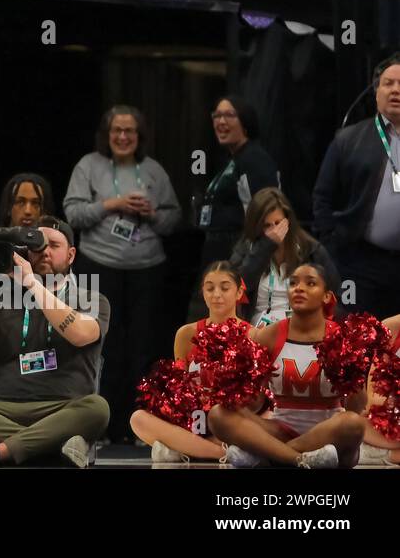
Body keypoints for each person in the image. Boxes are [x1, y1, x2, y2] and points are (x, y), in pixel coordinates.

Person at [0, 218, 111, 467]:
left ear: (71, 255)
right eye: (38, 247)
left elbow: (80, 334)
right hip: (0, 408)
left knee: (97, 409)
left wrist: (32, 283)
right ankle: (50, 447)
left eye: (54, 245)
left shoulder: (92, 298)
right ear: (25, 252)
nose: (45, 252)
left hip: (64, 408)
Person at [62, 104, 181, 444]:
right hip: (99, 265)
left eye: (130, 131)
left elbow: (175, 221)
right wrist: (112, 205)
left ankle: (142, 429)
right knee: (102, 347)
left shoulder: (154, 170)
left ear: (139, 136)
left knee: (144, 348)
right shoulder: (89, 165)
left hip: (147, 270)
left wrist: (153, 213)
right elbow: (73, 213)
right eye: (117, 130)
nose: (124, 137)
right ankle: (101, 426)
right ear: (107, 134)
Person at [209, 263, 367, 468]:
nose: (299, 288)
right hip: (281, 429)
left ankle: (269, 456)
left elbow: (356, 408)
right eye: (293, 283)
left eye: (310, 283)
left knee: (353, 424)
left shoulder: (343, 336)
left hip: (329, 431)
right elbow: (255, 404)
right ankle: (298, 460)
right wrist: (234, 384)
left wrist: (351, 373)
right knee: (219, 414)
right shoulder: (268, 335)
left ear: (326, 296)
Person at [129, 262, 248, 463]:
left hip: (232, 420)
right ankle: (222, 453)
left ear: (239, 292)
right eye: (210, 288)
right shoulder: (186, 334)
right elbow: (179, 386)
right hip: (195, 420)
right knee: (138, 419)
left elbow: (260, 398)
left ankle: (183, 449)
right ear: (202, 291)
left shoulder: (254, 334)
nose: (216, 294)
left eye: (225, 288)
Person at [313, 53, 400, 319]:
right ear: (376, 93)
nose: (396, 90)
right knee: (359, 341)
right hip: (361, 264)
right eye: (388, 83)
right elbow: (322, 198)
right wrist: (332, 245)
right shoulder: (348, 139)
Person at [195, 93, 280, 283]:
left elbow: (265, 214)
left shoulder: (254, 159)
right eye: (216, 116)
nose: (221, 121)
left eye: (229, 115)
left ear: (245, 121)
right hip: (219, 252)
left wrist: (250, 261)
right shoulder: (232, 159)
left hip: (239, 257)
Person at [232, 187, 340, 328]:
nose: (275, 231)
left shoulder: (310, 249)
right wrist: (265, 247)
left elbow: (334, 291)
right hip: (257, 332)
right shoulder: (248, 248)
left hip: (302, 329)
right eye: (267, 226)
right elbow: (236, 289)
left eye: (278, 223)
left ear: (288, 221)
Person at [360, 312, 400, 465]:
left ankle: (388, 455)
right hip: (391, 419)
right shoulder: (391, 327)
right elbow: (373, 397)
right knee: (349, 423)